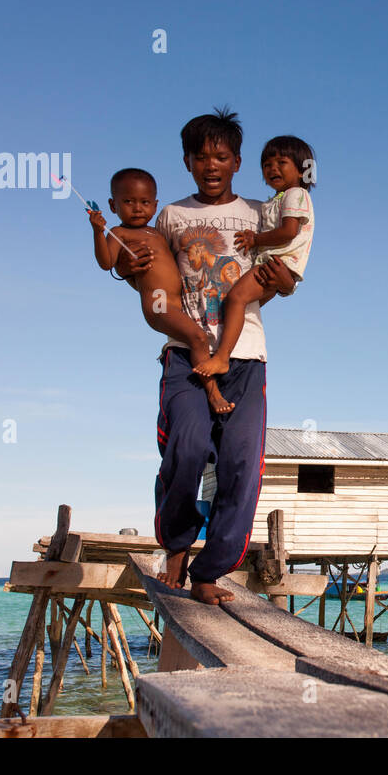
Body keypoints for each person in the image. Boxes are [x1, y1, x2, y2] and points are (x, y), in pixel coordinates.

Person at [131, 107, 294, 605]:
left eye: (220, 156)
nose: (211, 165)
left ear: (237, 161)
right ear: (186, 161)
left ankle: (210, 573)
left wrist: (279, 278)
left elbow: (286, 282)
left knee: (241, 467)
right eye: (200, 157)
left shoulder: (261, 214)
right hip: (185, 355)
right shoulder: (172, 216)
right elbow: (149, 275)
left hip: (246, 357)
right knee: (186, 445)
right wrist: (128, 264)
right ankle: (176, 545)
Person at [87, 168, 234, 415]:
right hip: (158, 304)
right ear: (113, 205)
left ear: (155, 206)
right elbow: (106, 262)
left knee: (198, 339)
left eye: (144, 202)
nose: (137, 208)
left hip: (177, 303)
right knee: (197, 337)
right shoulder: (119, 233)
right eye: (128, 202)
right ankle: (212, 392)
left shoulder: (156, 233)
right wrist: (98, 231)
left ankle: (203, 387)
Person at [191, 135, 315, 380]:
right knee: (245, 307)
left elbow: (289, 231)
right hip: (278, 265)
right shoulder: (278, 199)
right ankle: (223, 348)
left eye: (282, 163)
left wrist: (255, 240)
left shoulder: (295, 195)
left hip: (276, 263)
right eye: (267, 164)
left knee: (236, 298)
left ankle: (222, 356)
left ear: (302, 170)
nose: (273, 168)